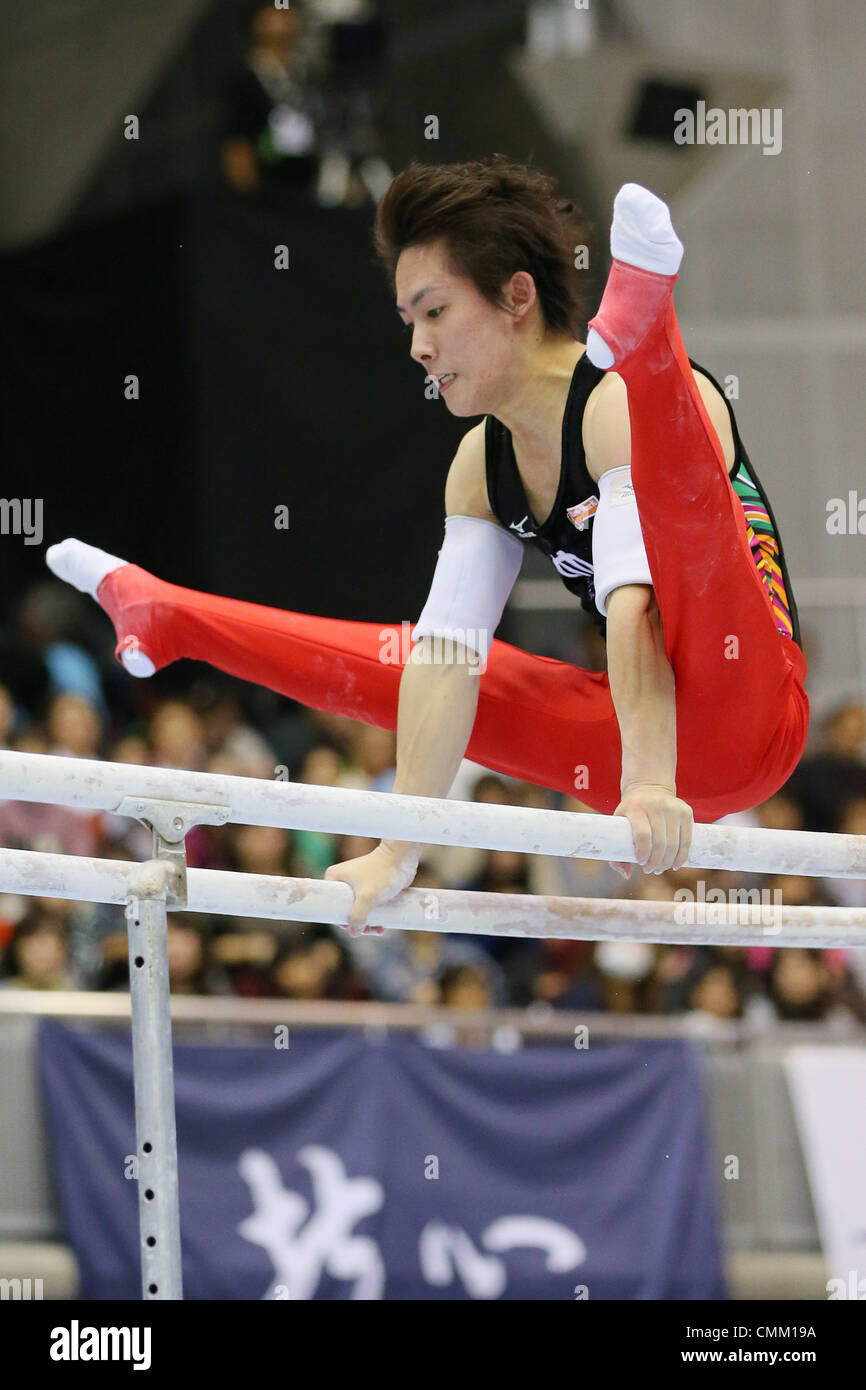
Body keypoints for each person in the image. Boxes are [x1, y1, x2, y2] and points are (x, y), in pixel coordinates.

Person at [43, 159, 808, 934]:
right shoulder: (479, 467)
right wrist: (397, 848)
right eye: (409, 319)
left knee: (675, 524)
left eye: (435, 312)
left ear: (518, 295)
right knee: (414, 661)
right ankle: (171, 614)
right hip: (638, 738)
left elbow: (637, 610)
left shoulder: (608, 410)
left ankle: (652, 338)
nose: (416, 346)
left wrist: (646, 783)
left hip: (749, 706)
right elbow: (446, 665)